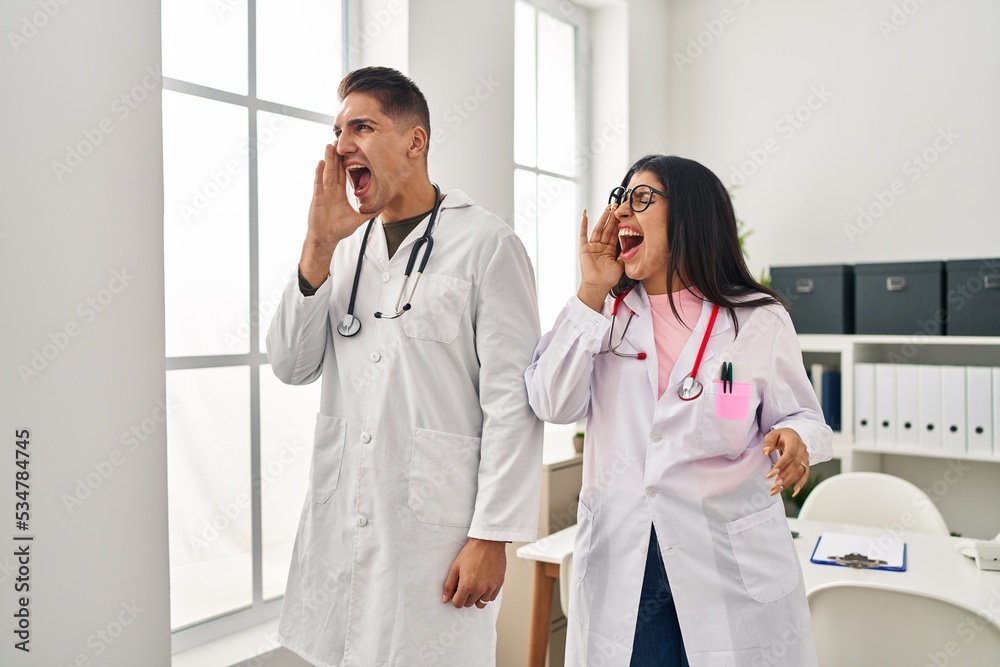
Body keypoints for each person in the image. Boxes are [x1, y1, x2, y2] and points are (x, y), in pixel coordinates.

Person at [266, 66, 543, 667]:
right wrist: (316, 247)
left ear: (415, 141)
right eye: (338, 131)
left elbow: (511, 404)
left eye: (361, 126)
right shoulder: (340, 247)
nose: (342, 146)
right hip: (342, 523)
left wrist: (492, 536)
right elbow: (291, 365)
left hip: (434, 543)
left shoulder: (488, 245)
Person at [525, 154, 832, 666]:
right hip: (630, 558)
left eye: (642, 198)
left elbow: (802, 417)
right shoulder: (601, 314)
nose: (623, 211)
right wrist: (591, 290)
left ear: (691, 216)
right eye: (620, 198)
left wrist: (798, 439)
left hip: (726, 556)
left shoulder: (756, 320)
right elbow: (551, 401)